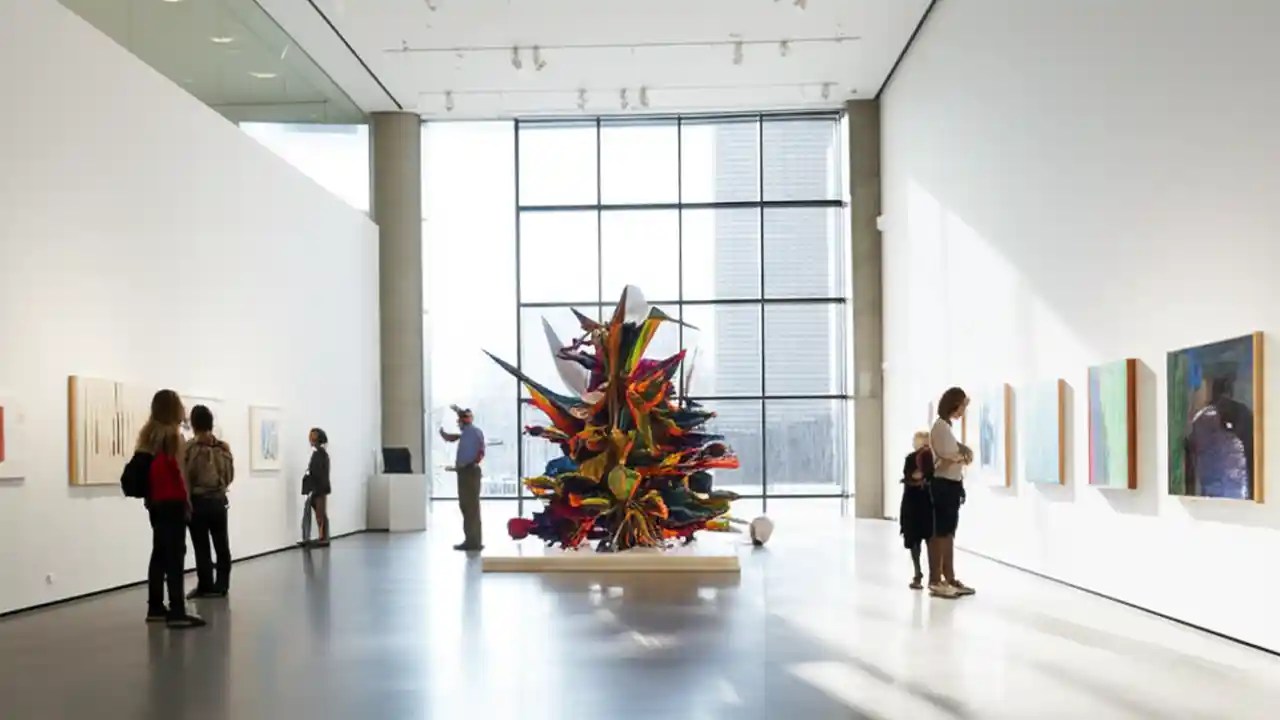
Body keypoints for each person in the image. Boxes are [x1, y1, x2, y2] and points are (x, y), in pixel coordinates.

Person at [140, 390, 205, 628]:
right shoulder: (173, 438)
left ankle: (155, 606)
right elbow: (179, 474)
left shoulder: (148, 436)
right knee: (176, 555)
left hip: (155, 503)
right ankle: (177, 610)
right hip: (172, 502)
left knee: (159, 553)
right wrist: (187, 502)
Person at [183, 404, 234, 599]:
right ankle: (222, 585)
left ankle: (205, 585)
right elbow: (229, 476)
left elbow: (185, 477)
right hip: (219, 501)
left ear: (194, 424)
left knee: (201, 546)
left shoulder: (189, 449)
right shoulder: (223, 448)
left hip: (198, 502)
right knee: (222, 544)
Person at [929, 387, 975, 599]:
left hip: (951, 485)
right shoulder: (940, 427)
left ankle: (949, 577)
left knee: (948, 533)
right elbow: (953, 455)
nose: (963, 411)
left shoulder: (946, 427)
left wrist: (962, 454)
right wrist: (962, 455)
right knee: (941, 533)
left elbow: (960, 454)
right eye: (961, 406)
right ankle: (936, 580)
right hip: (943, 485)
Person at [440, 405, 485, 551]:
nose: (458, 423)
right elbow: (453, 438)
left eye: (459, 420)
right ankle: (472, 540)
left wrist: (458, 411)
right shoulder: (468, 433)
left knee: (469, 507)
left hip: (468, 473)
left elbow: (476, 452)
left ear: (463, 421)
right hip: (466, 472)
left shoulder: (471, 432)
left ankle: (473, 542)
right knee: (468, 507)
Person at [900, 430, 934, 590]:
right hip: (914, 504)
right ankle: (918, 572)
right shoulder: (911, 459)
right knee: (915, 540)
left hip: (925, 503)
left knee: (929, 539)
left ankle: (930, 574)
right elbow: (910, 476)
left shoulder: (932, 459)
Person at [300, 428, 331, 547]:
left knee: (320, 514)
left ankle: (323, 537)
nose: (310, 439)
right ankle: (315, 537)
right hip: (315, 488)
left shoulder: (321, 455)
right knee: (314, 512)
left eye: (313, 437)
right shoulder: (317, 454)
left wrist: (316, 488)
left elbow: (321, 473)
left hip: (319, 489)